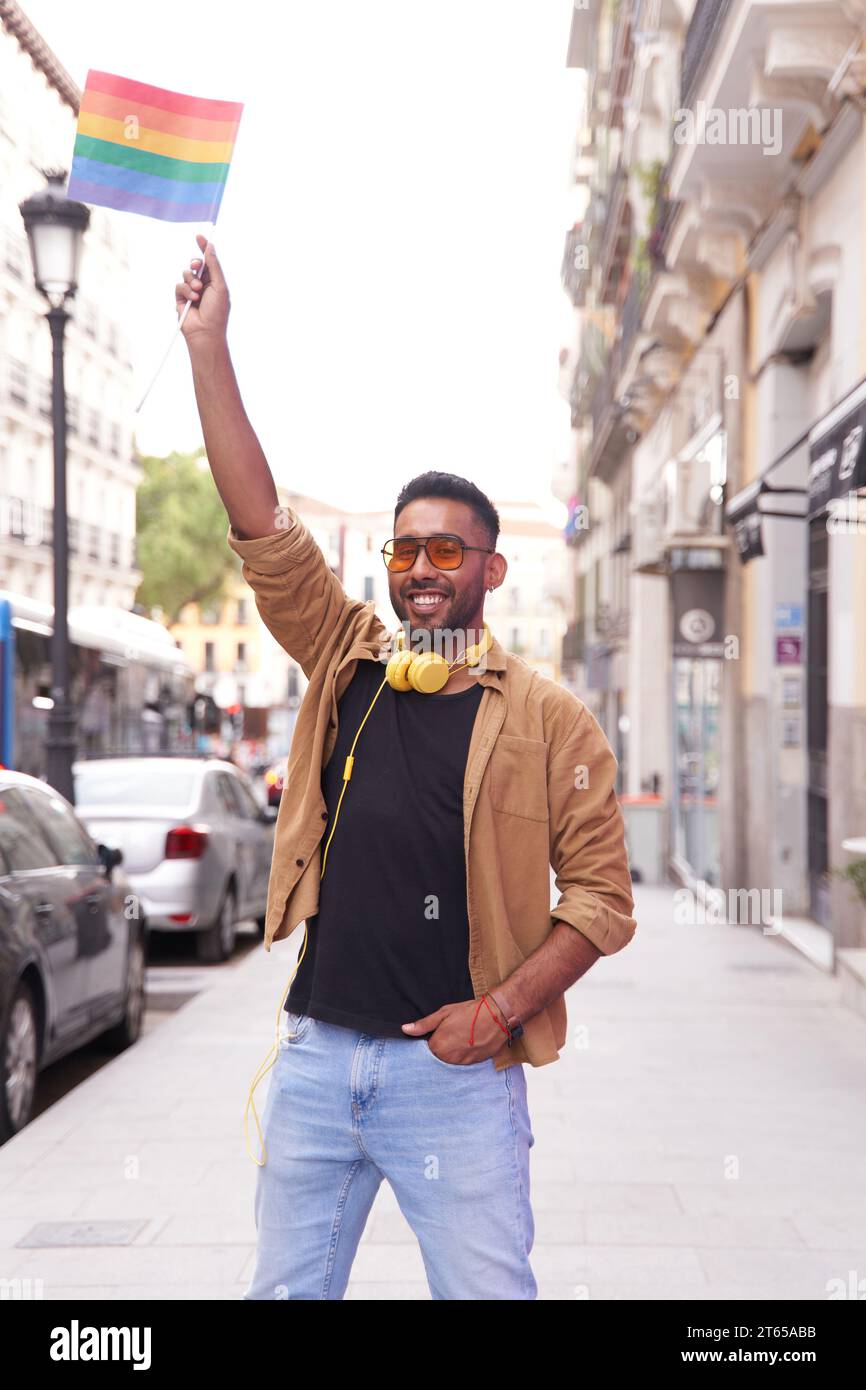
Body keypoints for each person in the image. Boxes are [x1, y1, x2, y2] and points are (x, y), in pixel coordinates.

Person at [176, 234, 637, 1301]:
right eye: (404, 550)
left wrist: (499, 1012)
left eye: (445, 551)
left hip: (457, 1080)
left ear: (490, 568)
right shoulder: (346, 658)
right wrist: (210, 348)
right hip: (313, 1060)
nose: (420, 569)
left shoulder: (552, 721)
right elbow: (261, 522)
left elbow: (604, 901)